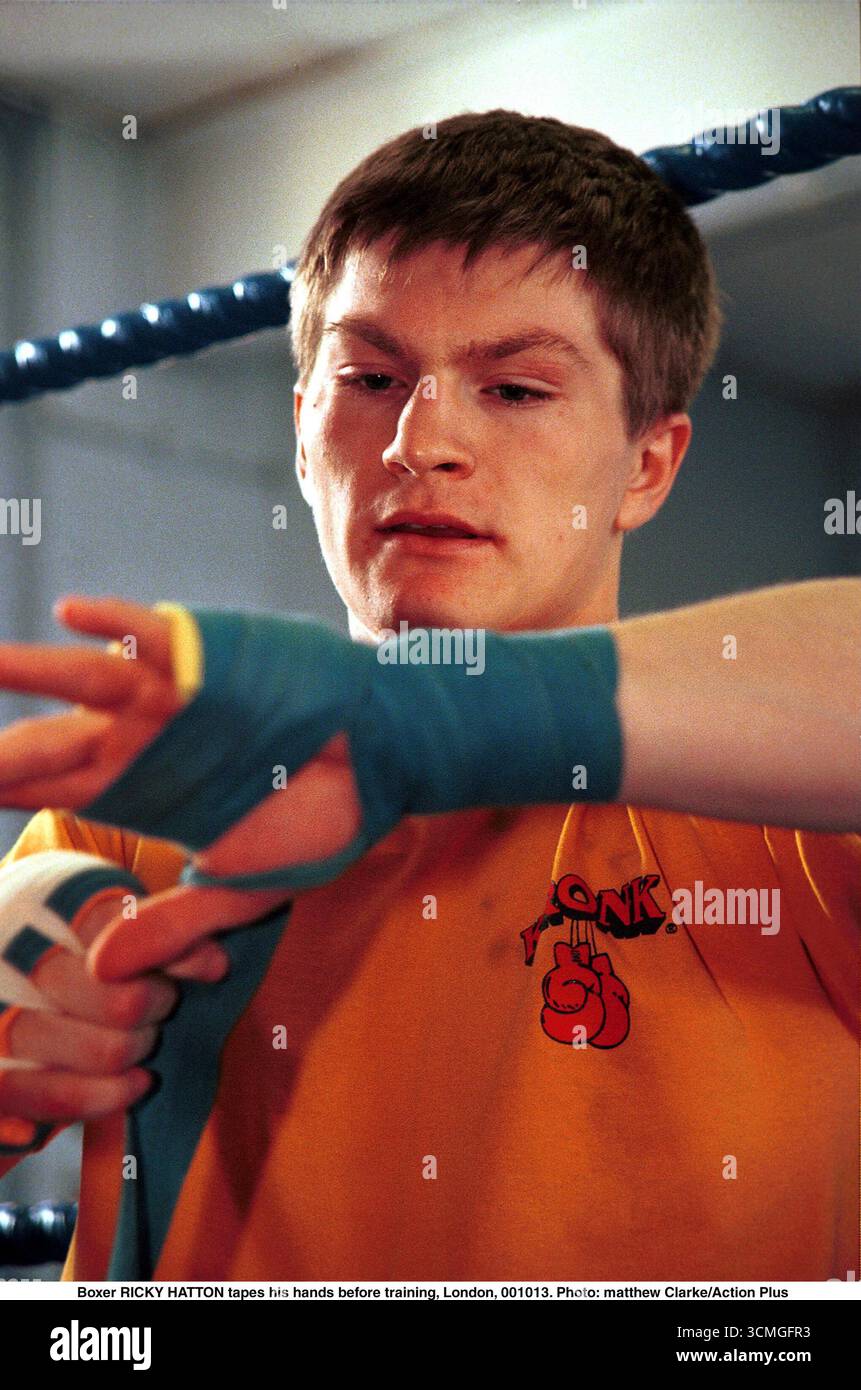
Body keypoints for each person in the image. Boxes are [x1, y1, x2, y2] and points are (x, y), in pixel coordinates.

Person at [0, 110, 857, 1281]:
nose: (422, 439)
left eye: (514, 389)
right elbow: (31, 945)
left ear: (647, 465)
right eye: (370, 376)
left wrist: (424, 717)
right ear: (304, 431)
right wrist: (33, 976)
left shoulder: (783, 827)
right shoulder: (162, 807)